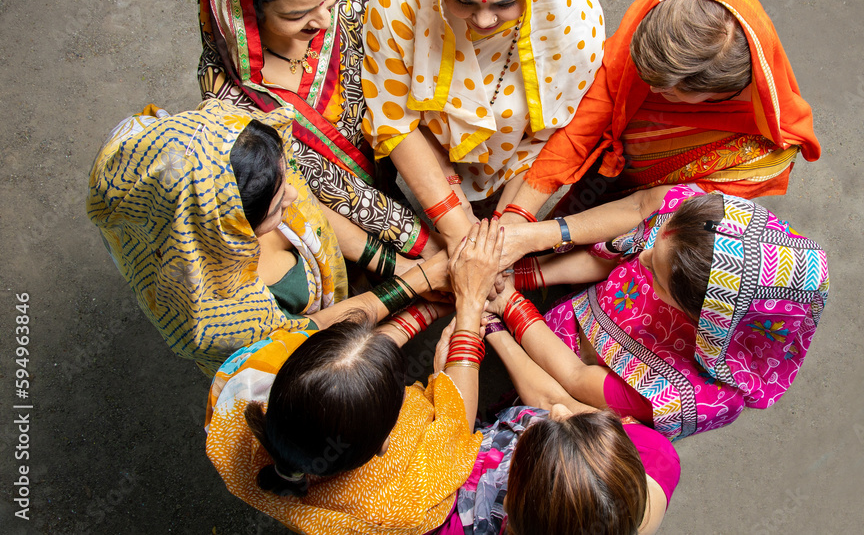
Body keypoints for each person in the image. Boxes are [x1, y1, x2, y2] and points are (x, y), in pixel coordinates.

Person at [205, 222, 679, 534]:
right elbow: (457, 409)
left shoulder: (235, 400)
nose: (554, 410)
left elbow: (306, 335)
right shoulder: (422, 486)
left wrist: (434, 290)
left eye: (542, 431)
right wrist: (478, 313)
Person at [87, 100, 448, 375]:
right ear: (230, 232)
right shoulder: (228, 319)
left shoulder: (218, 155)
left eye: (285, 180)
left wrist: (403, 268)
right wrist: (420, 284)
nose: (293, 196)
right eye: (276, 208)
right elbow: (307, 336)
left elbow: (313, 219)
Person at [361, 0, 605, 250]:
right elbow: (393, 118)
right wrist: (457, 226)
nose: (484, 19)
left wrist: (506, 234)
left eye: (505, 4)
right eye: (462, 1)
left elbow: (555, 137)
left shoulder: (575, 27)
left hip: (515, 161)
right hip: (431, 150)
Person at [493, 183, 830, 440]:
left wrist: (506, 304)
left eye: (655, 275)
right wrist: (519, 275)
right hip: (559, 323)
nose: (640, 258)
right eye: (655, 245)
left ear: (702, 321)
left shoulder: (678, 396)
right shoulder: (698, 228)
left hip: (556, 374)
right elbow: (615, 247)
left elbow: (573, 379)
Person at [198, 0, 433, 259]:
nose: (324, 21)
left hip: (393, 152)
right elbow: (297, 198)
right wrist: (403, 263)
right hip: (336, 226)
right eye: (297, 15)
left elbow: (394, 80)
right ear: (249, 10)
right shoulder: (228, 96)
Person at [510, 0, 822, 217]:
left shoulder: (763, 155)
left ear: (719, 92)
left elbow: (657, 213)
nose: (652, 89)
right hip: (611, 166)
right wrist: (516, 214)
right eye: (646, 76)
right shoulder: (665, 22)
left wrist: (536, 241)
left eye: (669, 91)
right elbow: (589, 118)